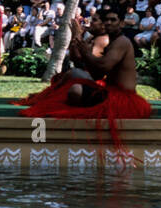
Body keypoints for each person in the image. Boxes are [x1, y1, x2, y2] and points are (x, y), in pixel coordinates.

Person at [19, 8, 151, 149]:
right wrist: (78, 40)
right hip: (109, 92)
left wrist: (81, 45)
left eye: (113, 20)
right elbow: (91, 69)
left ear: (121, 23)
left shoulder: (121, 42)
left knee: (75, 87)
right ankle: (46, 99)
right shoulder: (110, 41)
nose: (108, 23)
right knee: (73, 79)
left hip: (122, 99)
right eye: (106, 20)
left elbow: (103, 66)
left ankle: (49, 100)